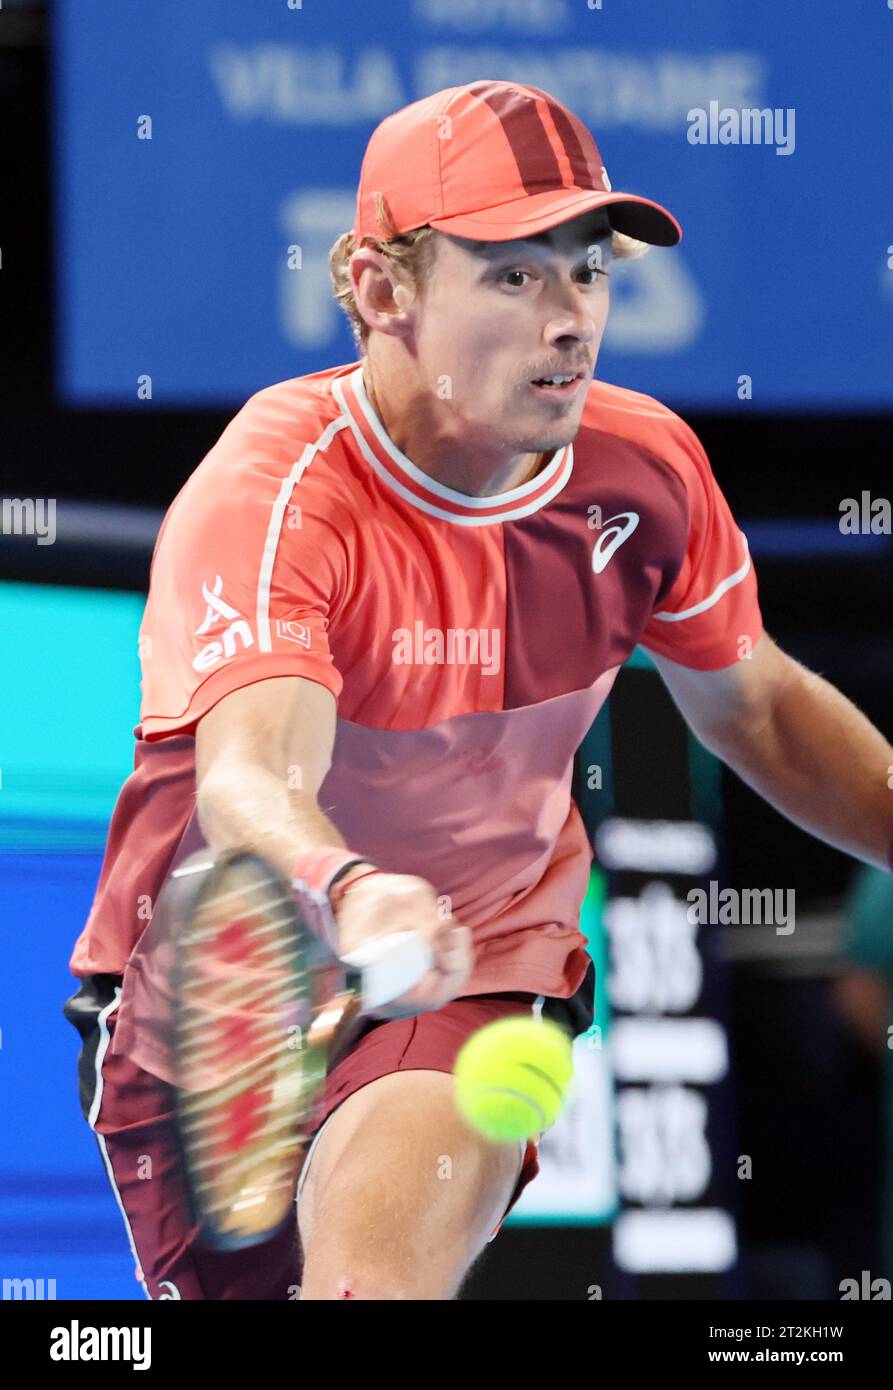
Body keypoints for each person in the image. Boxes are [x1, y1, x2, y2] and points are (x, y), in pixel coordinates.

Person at [63, 79, 893, 1301]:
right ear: (377, 289)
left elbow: (757, 709)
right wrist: (350, 889)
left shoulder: (644, 473)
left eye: (587, 272)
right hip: (208, 1008)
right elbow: (250, 770)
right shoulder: (279, 491)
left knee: (373, 1284)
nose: (572, 320)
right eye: (513, 275)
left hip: (478, 962)